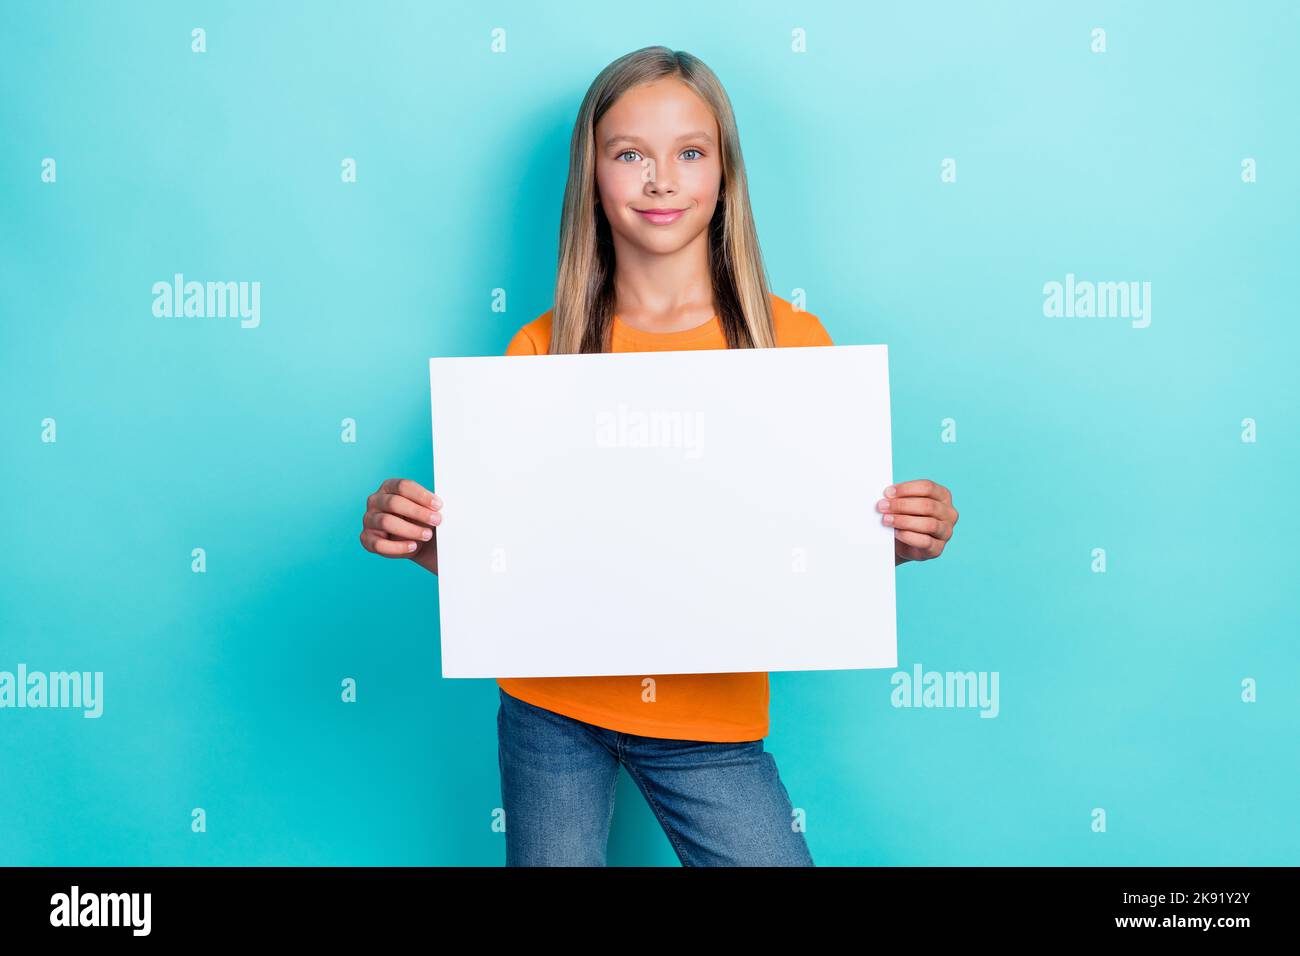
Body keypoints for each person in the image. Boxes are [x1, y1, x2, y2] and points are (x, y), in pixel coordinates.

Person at [359, 45, 959, 866]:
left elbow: (814, 551)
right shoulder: (539, 349)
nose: (661, 179)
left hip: (707, 718)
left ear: (724, 173)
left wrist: (900, 538)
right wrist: (426, 543)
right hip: (551, 708)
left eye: (690, 152)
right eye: (630, 154)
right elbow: (509, 561)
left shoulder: (792, 345)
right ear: (593, 177)